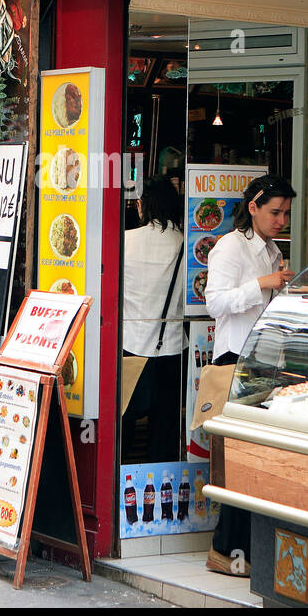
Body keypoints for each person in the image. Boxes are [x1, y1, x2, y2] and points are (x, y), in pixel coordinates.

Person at [202, 174, 296, 576]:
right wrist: (263, 283)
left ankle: (243, 550)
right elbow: (214, 303)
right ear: (253, 208)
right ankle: (226, 550)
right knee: (240, 461)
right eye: (275, 211)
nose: (281, 220)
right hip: (235, 360)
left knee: (254, 461)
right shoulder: (229, 247)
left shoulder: (272, 250)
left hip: (263, 362)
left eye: (286, 213)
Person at [121, 176, 187, 462]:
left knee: (123, 424)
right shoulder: (186, 244)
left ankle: (121, 488)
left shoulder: (124, 241)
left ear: (142, 205)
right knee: (165, 430)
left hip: (130, 346)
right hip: (172, 349)